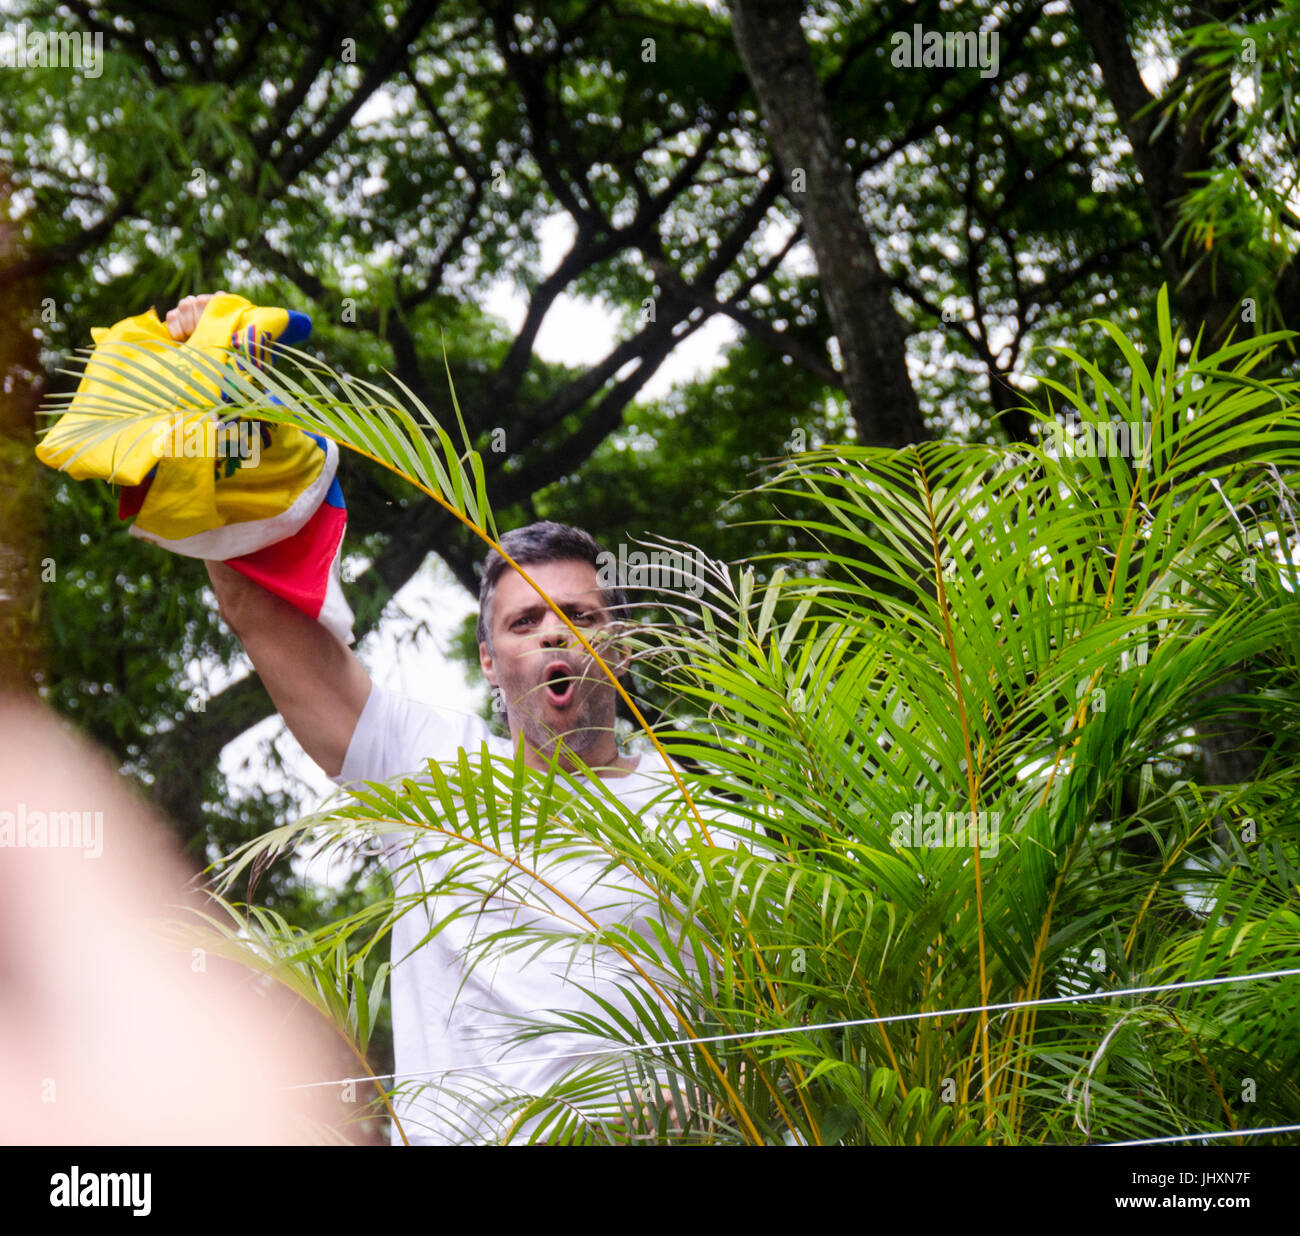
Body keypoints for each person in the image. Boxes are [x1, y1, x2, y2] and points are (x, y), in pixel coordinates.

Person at [165, 295, 737, 1144]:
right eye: (524, 620)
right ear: (488, 663)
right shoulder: (424, 764)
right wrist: (228, 397)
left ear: (617, 648)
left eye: (579, 615)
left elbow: (813, 1023)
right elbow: (259, 608)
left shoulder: (708, 822)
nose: (554, 630)